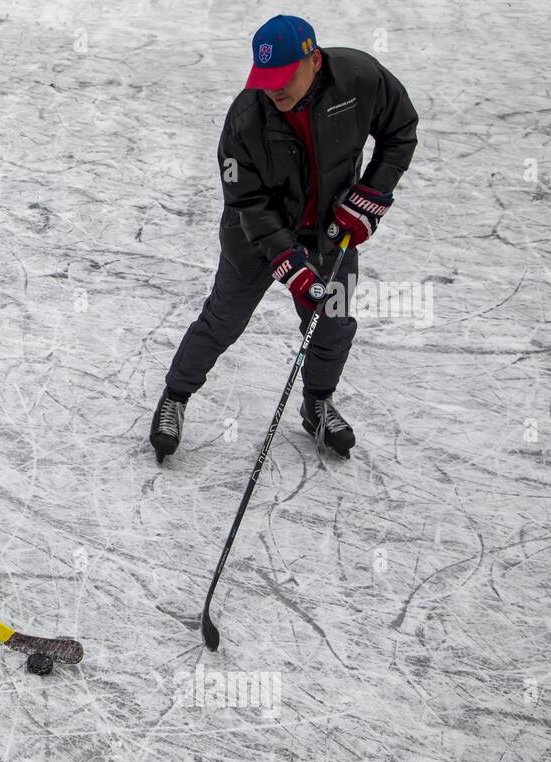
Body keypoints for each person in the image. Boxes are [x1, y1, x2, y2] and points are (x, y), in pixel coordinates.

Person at [151, 14, 418, 462]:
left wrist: (371, 194)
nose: (273, 89)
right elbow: (246, 201)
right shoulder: (245, 118)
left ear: (313, 59)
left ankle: (317, 404)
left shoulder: (360, 78)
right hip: (253, 238)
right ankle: (175, 397)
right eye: (264, 78)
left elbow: (400, 129)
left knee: (332, 323)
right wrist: (285, 260)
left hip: (333, 231)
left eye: (282, 77)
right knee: (222, 320)